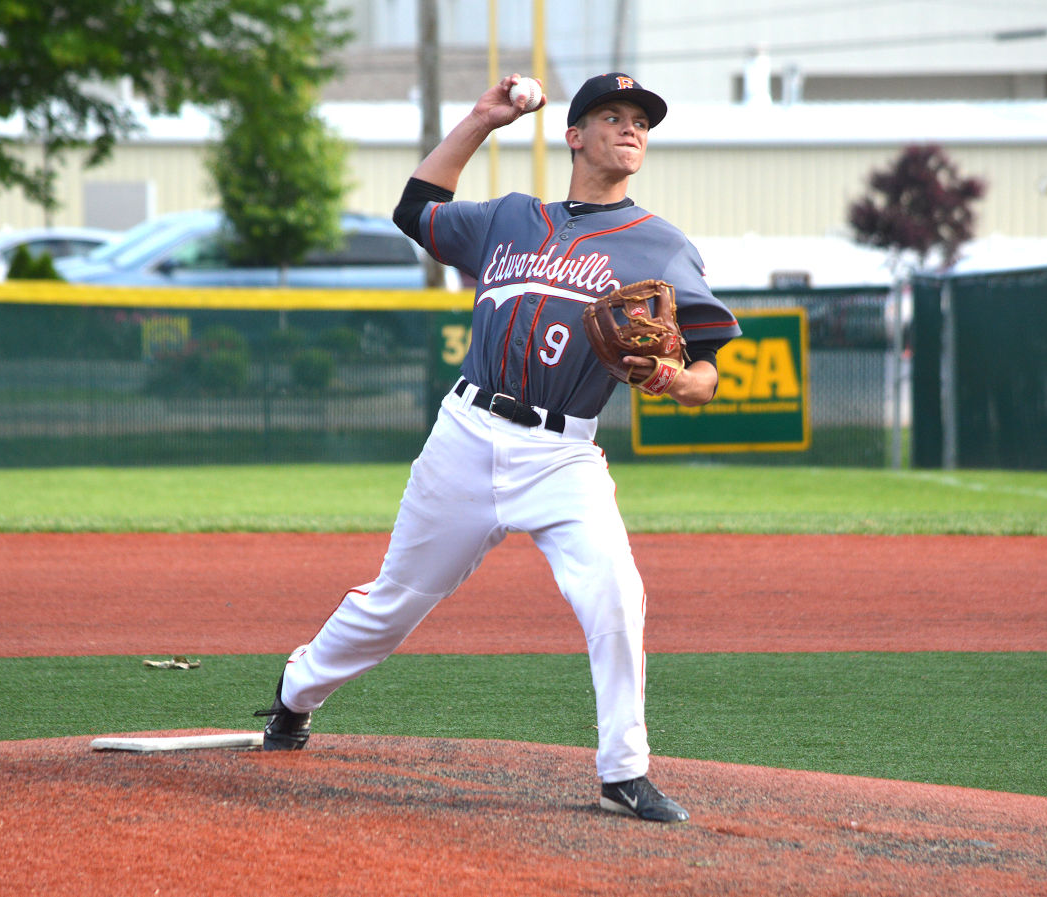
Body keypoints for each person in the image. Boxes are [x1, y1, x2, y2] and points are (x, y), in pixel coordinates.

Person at [257, 72, 741, 824]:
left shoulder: (663, 245)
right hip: (467, 433)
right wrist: (482, 120)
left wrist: (677, 378)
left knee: (615, 591)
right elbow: (414, 209)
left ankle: (624, 770)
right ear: (574, 135)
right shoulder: (510, 218)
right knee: (395, 602)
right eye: (611, 116)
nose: (630, 128)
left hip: (564, 453)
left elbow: (711, 373)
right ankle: (296, 691)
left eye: (641, 119)